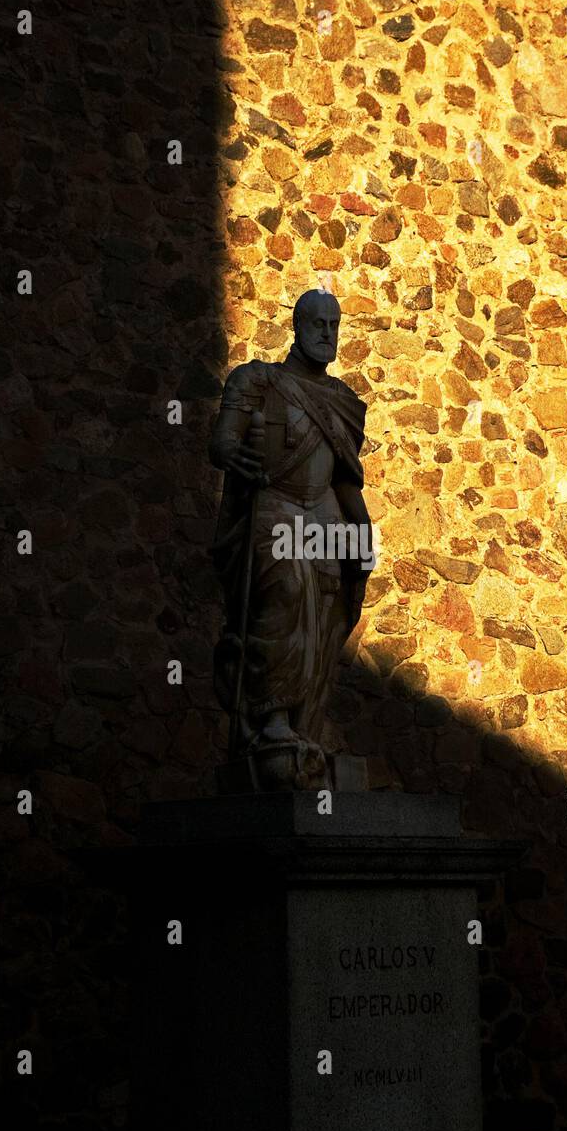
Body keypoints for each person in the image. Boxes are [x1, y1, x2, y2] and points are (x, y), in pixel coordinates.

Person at [209, 288, 372, 786]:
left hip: (324, 509)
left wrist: (361, 530)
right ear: (297, 326)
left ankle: (307, 731)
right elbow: (222, 442)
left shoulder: (344, 402)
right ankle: (272, 721)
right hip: (275, 499)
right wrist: (234, 455)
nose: (327, 333)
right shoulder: (258, 380)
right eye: (317, 323)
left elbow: (345, 475)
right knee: (285, 590)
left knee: (327, 614)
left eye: (334, 324)